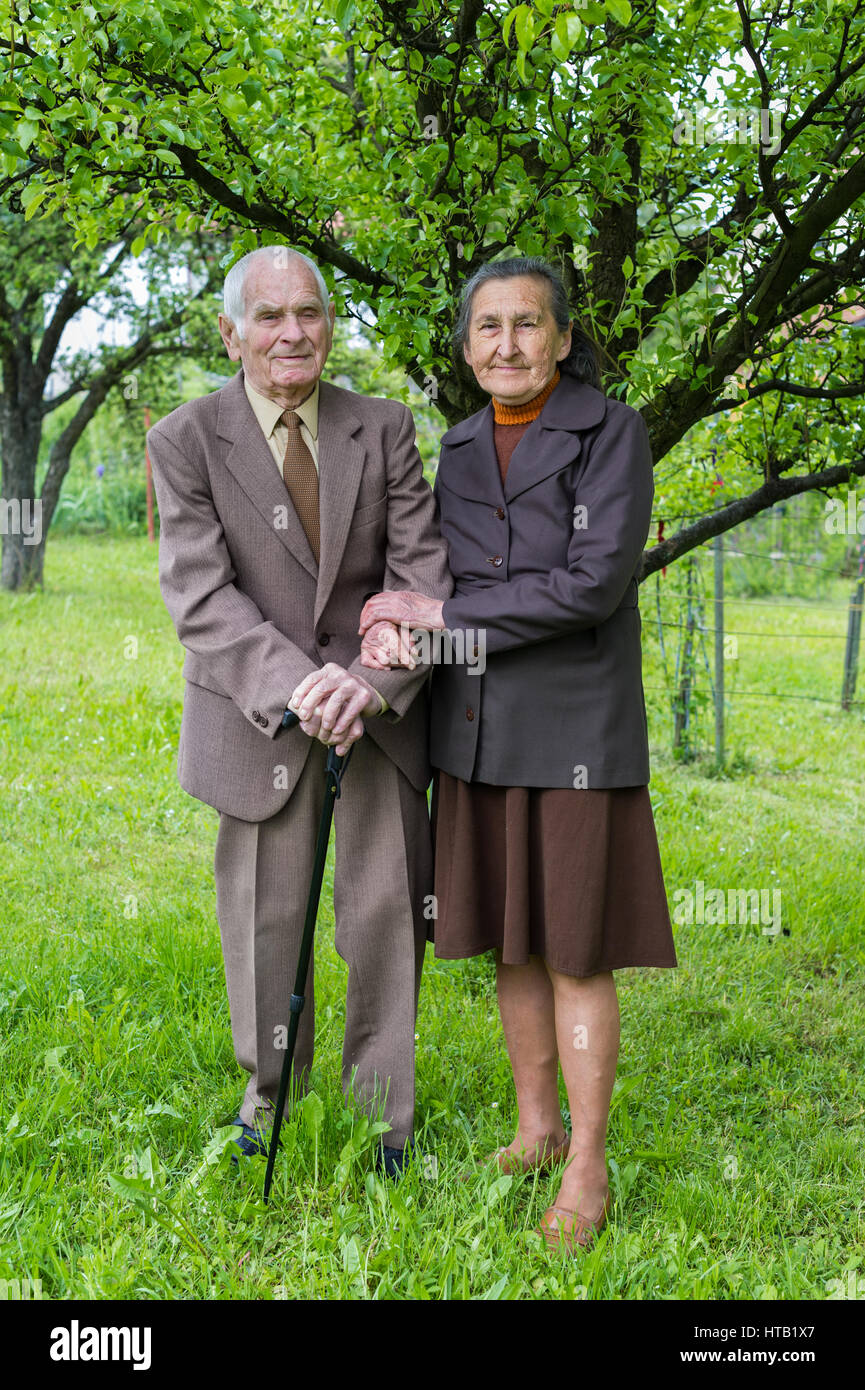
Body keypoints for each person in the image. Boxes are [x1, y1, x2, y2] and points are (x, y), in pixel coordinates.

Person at [359, 256, 677, 1243]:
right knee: (512, 939)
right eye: (487, 327)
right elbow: (420, 571)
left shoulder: (609, 433)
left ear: (563, 339)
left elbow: (591, 585)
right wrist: (390, 624)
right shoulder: (453, 446)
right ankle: (536, 1127)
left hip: (576, 727)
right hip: (477, 727)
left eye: (527, 325)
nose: (507, 344)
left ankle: (587, 1163)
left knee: (575, 947)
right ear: (465, 348)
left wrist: (443, 615)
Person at [148, 245, 452, 1176]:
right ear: (230, 332)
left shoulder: (385, 425)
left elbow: (419, 575)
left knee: (383, 915)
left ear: (330, 324)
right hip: (258, 720)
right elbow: (202, 598)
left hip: (378, 712)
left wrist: (367, 681)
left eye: (310, 313)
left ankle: (382, 1121)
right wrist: (302, 689)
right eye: (270, 316)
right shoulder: (184, 439)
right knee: (263, 920)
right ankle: (267, 1101)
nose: (293, 332)